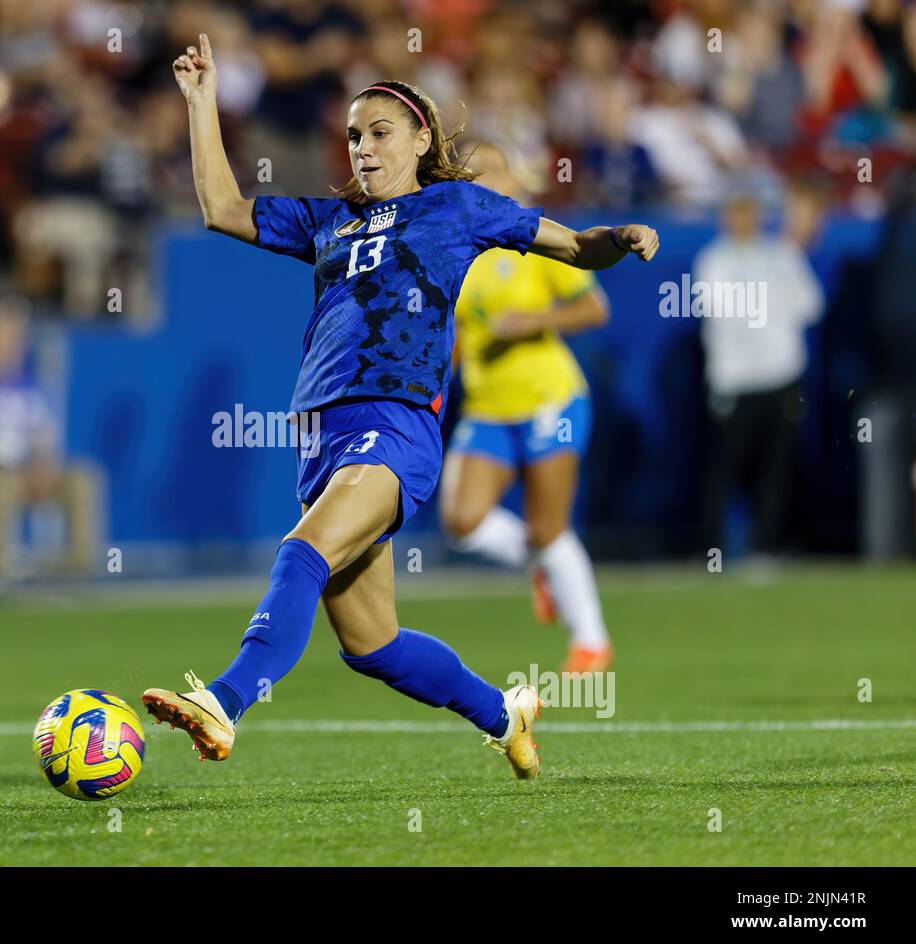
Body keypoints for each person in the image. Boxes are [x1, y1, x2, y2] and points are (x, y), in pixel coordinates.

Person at [141, 36, 657, 780]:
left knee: (301, 552)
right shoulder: (329, 222)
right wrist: (200, 104)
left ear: (421, 138)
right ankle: (503, 712)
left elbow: (574, 247)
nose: (363, 148)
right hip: (321, 436)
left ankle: (224, 702)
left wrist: (621, 237)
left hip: (395, 425)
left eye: (380, 132)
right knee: (372, 646)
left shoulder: (456, 206)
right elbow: (223, 208)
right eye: (353, 136)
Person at [439, 144, 614, 675]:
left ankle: (590, 641)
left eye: (495, 170)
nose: (487, 181)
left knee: (548, 527)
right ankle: (543, 566)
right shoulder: (454, 248)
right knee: (461, 522)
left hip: (550, 400)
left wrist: (533, 320)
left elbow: (594, 308)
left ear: (515, 176)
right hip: (489, 406)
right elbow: (455, 335)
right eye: (475, 175)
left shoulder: (536, 236)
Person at [696, 190, 824, 557]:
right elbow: (722, 310)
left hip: (781, 377)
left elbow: (811, 305)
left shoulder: (782, 256)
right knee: (726, 468)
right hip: (735, 380)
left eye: (750, 213)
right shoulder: (714, 261)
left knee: (777, 468)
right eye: (736, 213)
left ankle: (766, 548)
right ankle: (712, 551)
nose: (744, 221)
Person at [0, 298, 103, 579]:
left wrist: (41, 467)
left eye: (13, 338)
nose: (7, 345)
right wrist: (3, 468)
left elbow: (43, 438)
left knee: (82, 478)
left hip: (27, 472)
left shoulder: (30, 385)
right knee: (2, 483)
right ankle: (0, 568)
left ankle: (79, 567)